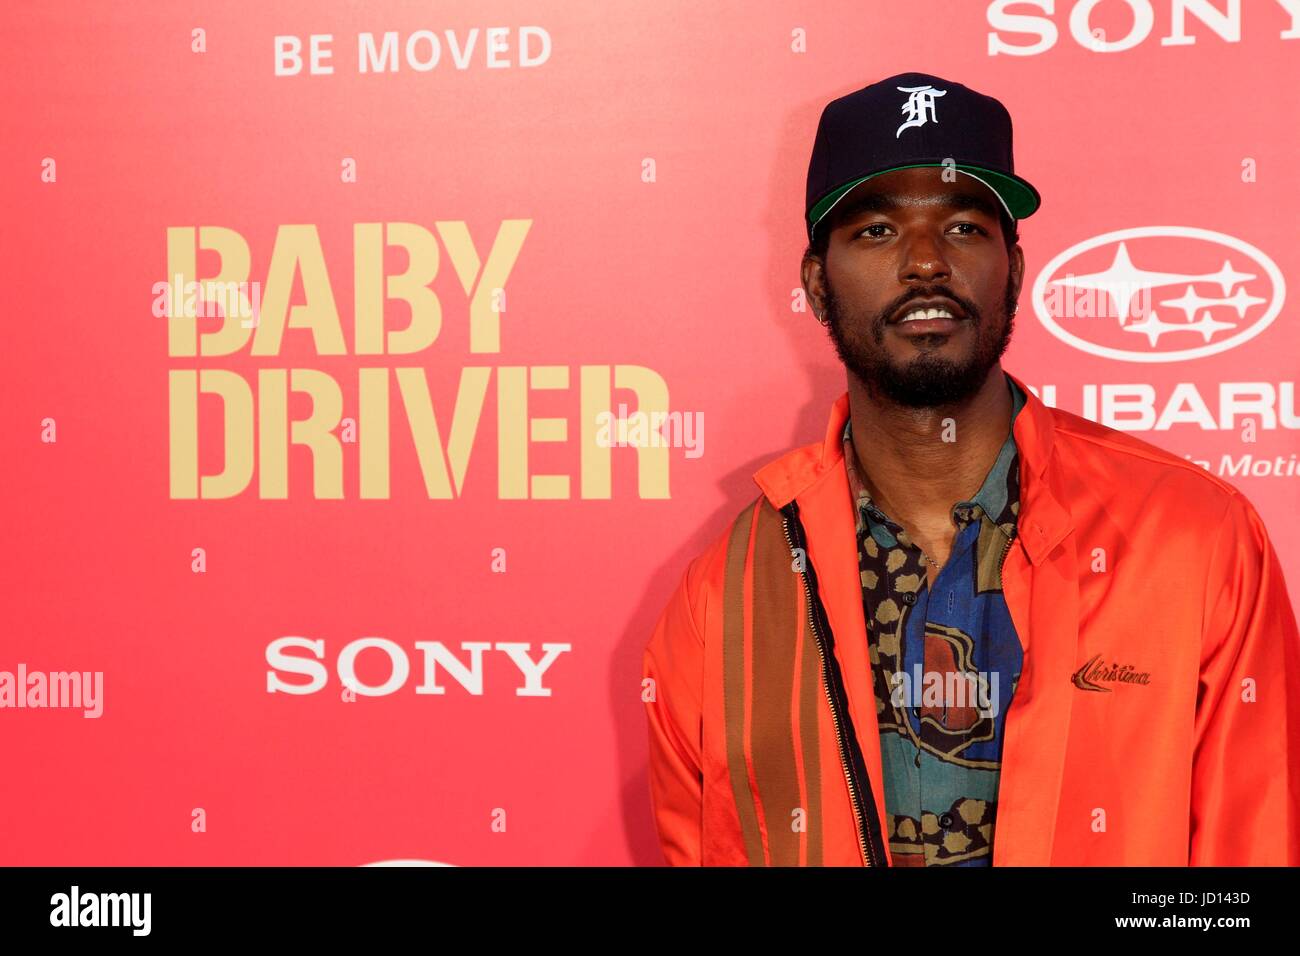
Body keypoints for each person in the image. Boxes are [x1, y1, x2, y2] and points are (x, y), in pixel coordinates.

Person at [641, 71, 1300, 867]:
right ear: (817, 286)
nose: (925, 262)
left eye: (962, 227)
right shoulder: (729, 596)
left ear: (1015, 271)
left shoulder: (1195, 538)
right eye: (877, 230)